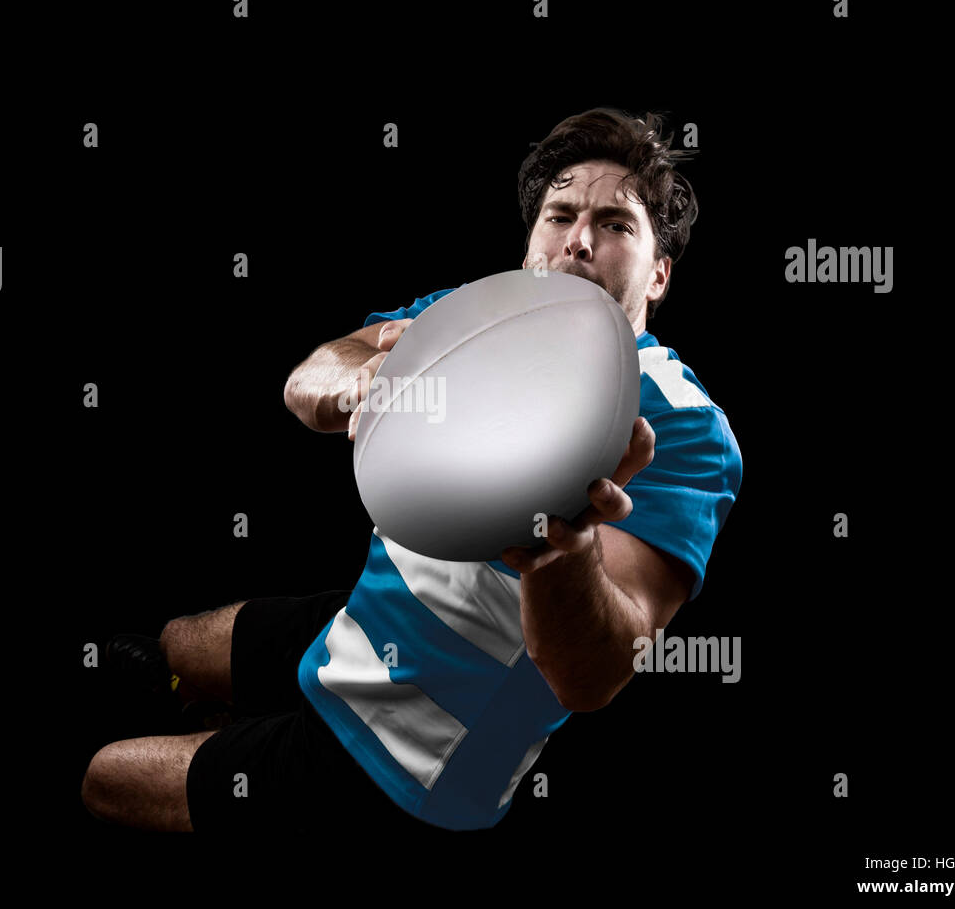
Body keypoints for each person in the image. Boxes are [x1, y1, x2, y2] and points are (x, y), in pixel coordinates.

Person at [80, 107, 743, 834]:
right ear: (531, 246)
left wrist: (564, 551)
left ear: (659, 276)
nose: (580, 241)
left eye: (617, 225)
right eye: (560, 215)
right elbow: (313, 376)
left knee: (102, 777)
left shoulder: (684, 428)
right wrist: (359, 380)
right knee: (176, 643)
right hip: (367, 620)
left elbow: (592, 675)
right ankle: (223, 721)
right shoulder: (482, 317)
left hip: (411, 755)